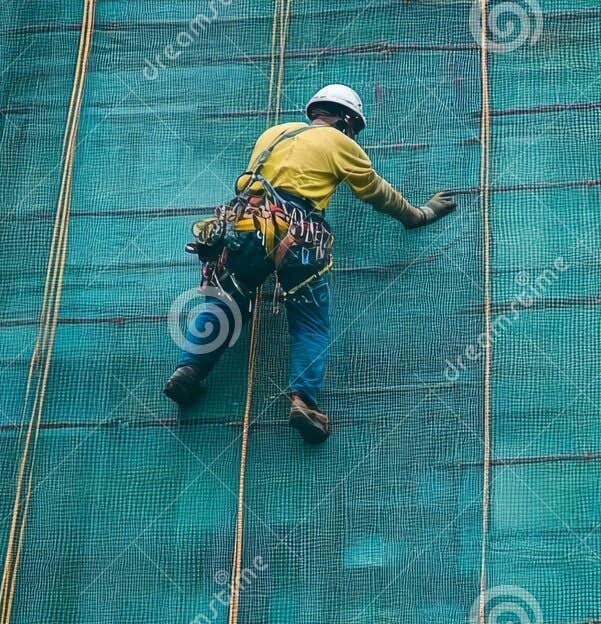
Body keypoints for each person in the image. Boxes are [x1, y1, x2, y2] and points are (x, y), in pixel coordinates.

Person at [164, 83, 457, 443]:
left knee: (224, 304)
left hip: (242, 228)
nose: (353, 135)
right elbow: (374, 191)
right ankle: (304, 403)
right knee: (309, 322)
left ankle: (189, 371)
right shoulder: (340, 143)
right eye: (353, 128)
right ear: (346, 119)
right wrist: (420, 214)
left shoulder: (272, 133)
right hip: (299, 235)